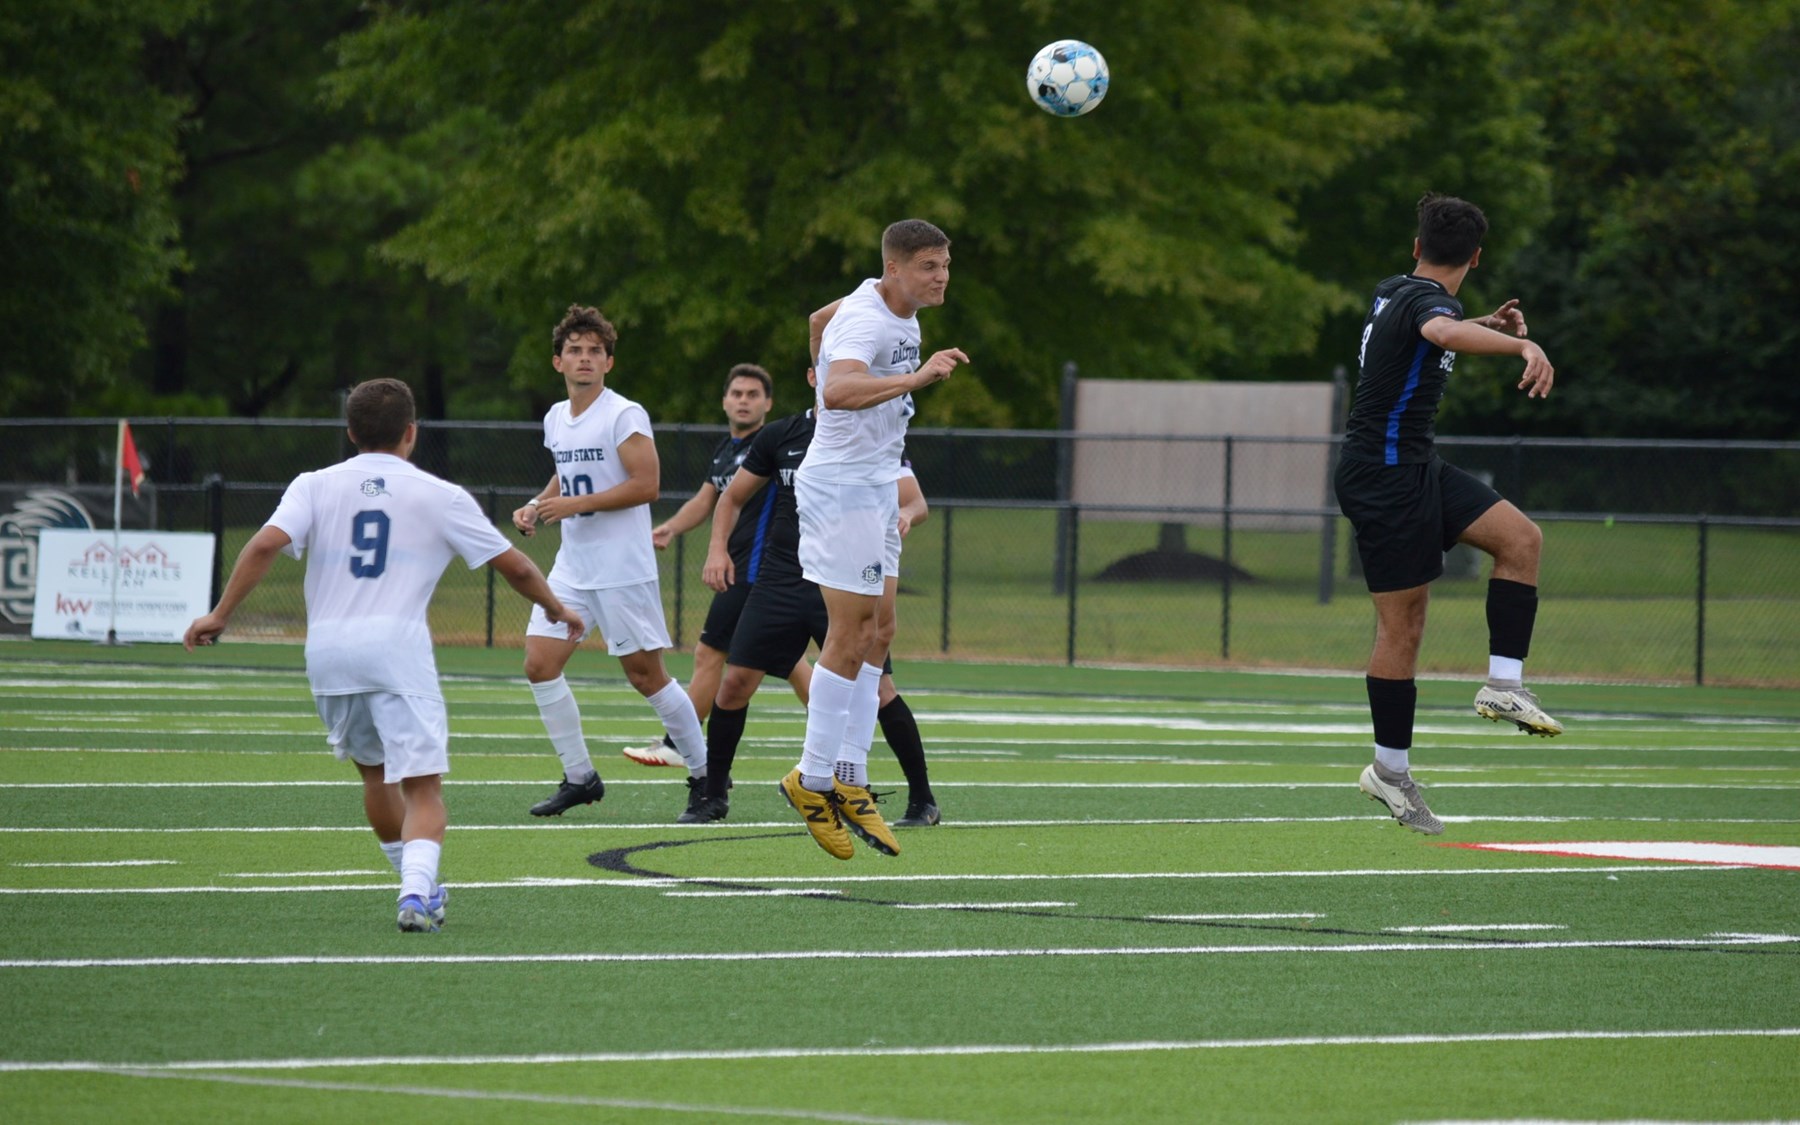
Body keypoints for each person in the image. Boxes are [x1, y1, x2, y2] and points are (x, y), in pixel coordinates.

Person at [183, 378, 580, 932]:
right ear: (412, 433)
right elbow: (514, 565)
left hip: (326, 654)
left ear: (350, 432)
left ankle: (418, 888)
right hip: (395, 652)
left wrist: (220, 613)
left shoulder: (313, 484)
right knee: (423, 787)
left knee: (375, 777)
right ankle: (416, 894)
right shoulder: (439, 495)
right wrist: (558, 609)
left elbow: (265, 543)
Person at [1336, 192, 1561, 836]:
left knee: (1521, 538)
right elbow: (1436, 328)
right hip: (1382, 478)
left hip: (1417, 465)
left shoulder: (1395, 289)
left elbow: (1429, 329)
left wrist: (1485, 324)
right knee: (1403, 629)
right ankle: (1389, 771)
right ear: (1478, 257)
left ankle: (1504, 683)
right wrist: (1522, 348)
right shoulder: (1430, 307)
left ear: (1416, 248)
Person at [780, 219, 967, 859]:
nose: (941, 276)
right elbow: (835, 389)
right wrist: (913, 381)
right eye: (928, 267)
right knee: (850, 632)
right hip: (843, 487)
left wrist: (820, 348)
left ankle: (852, 777)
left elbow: (814, 320)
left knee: (880, 632)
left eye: (944, 265)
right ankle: (811, 782)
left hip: (877, 483)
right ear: (895, 268)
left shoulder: (889, 307)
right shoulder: (870, 320)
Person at [694, 368, 940, 828]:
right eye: (831, 368)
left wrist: (905, 514)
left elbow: (916, 501)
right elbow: (731, 498)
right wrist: (717, 549)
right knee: (734, 683)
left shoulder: (874, 434)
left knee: (879, 689)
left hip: (844, 581)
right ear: (814, 376)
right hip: (783, 578)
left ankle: (921, 798)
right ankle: (711, 796)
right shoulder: (781, 434)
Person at [511, 304, 710, 820]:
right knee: (539, 664)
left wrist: (572, 505)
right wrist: (537, 504)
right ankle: (580, 777)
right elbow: (567, 474)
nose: (584, 359)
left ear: (608, 363)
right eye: (574, 351)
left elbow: (647, 484)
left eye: (594, 351)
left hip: (621, 566)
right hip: (573, 567)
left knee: (646, 676)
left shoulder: (624, 413)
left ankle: (706, 778)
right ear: (557, 362)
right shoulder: (557, 417)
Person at [620, 362, 809, 768]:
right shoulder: (726, 451)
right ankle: (840, 740)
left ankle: (677, 743)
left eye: (753, 395)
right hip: (745, 567)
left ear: (768, 403)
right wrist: (668, 529)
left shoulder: (771, 444)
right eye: (737, 394)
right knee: (791, 662)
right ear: (724, 401)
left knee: (709, 653)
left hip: (757, 569)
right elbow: (706, 501)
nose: (744, 401)